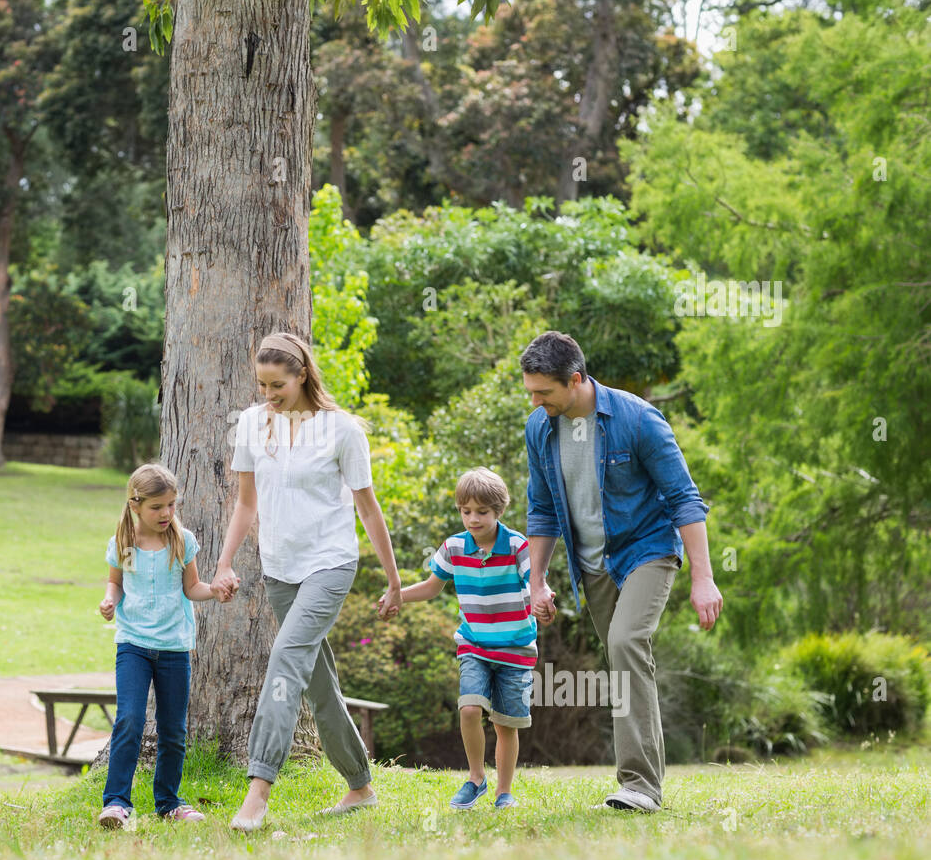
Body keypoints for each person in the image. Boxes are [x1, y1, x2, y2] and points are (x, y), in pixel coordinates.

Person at [520, 331, 723, 813]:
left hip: (646, 549)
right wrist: (537, 579)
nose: (535, 401)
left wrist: (703, 577)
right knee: (625, 661)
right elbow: (543, 509)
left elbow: (684, 499)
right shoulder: (539, 427)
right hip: (592, 565)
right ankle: (644, 783)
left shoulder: (637, 419)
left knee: (625, 642)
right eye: (531, 391)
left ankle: (639, 787)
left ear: (575, 379)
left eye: (543, 392)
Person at [213, 331, 402, 832]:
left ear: (302, 376)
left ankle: (258, 791)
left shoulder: (342, 431)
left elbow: (366, 505)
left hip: (330, 563)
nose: (268, 395)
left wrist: (394, 578)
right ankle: (360, 786)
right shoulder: (253, 425)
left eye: (278, 385)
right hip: (279, 567)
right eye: (262, 385)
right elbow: (246, 503)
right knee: (319, 684)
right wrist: (225, 563)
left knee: (285, 660)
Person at [386, 468, 537, 811]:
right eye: (465, 511)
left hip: (515, 646)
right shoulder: (453, 547)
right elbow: (432, 586)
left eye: (481, 512)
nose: (472, 518)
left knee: (504, 723)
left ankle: (504, 793)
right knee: (469, 708)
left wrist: (543, 600)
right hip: (474, 644)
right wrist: (397, 595)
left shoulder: (517, 545)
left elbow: (535, 582)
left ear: (498, 510)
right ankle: (475, 778)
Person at [96, 463, 221, 827]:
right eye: (156, 507)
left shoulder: (182, 541)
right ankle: (116, 802)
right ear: (136, 505)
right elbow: (115, 583)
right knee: (130, 720)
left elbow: (192, 588)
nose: (166, 513)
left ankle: (169, 802)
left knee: (173, 729)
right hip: (133, 645)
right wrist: (108, 600)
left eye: (170, 505)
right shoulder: (124, 543)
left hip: (173, 648)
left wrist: (214, 590)